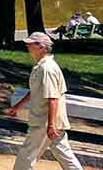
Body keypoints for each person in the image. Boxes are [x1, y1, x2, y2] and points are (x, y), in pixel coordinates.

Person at [6, 32, 83, 170]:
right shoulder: (42, 66)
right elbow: (35, 91)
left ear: (41, 47)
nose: (27, 46)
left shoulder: (47, 69)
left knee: (26, 156)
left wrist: (51, 125)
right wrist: (17, 107)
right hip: (49, 121)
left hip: (44, 121)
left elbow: (53, 98)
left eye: (31, 44)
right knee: (64, 154)